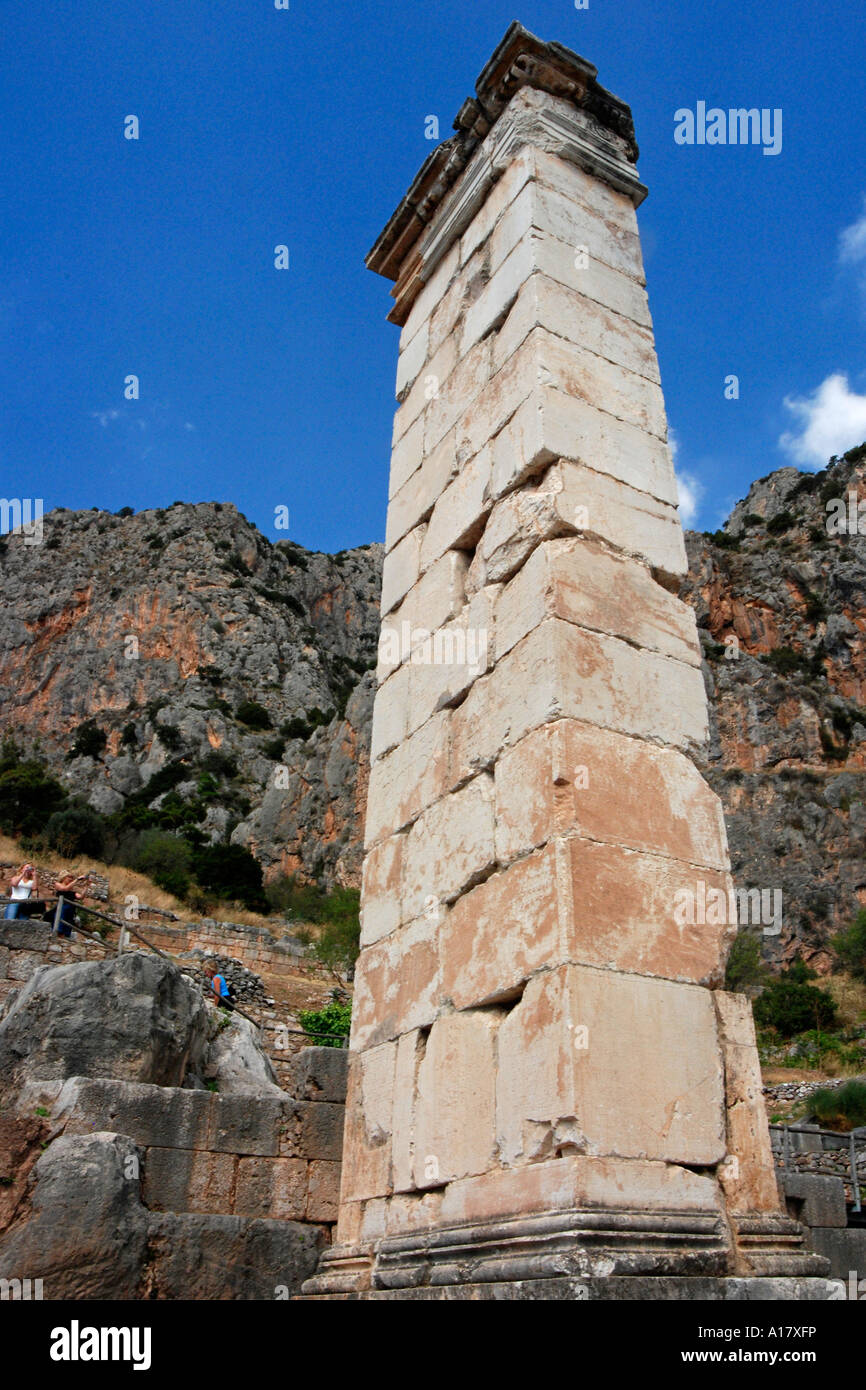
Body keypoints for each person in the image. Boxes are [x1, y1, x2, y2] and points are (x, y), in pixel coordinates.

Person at [53, 872, 91, 938]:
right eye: (69, 877)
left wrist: (86, 886)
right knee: (60, 921)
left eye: (72, 878)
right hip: (61, 908)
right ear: (63, 877)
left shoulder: (72, 891)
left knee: (68, 923)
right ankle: (59, 933)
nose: (71, 879)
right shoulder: (57, 884)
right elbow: (64, 889)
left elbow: (81, 897)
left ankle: (65, 935)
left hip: (70, 910)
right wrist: (77, 880)